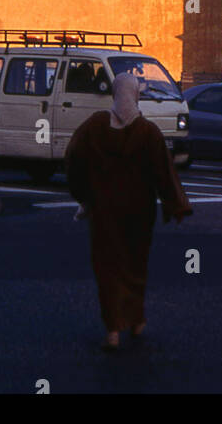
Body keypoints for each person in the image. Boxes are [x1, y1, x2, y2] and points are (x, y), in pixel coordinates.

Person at [65, 72, 192, 350]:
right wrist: (176, 205)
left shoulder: (95, 126)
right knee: (135, 265)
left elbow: (73, 158)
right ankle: (135, 320)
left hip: (104, 211)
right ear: (135, 95)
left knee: (108, 267)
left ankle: (112, 329)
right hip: (138, 211)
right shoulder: (148, 132)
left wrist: (84, 195)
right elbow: (164, 173)